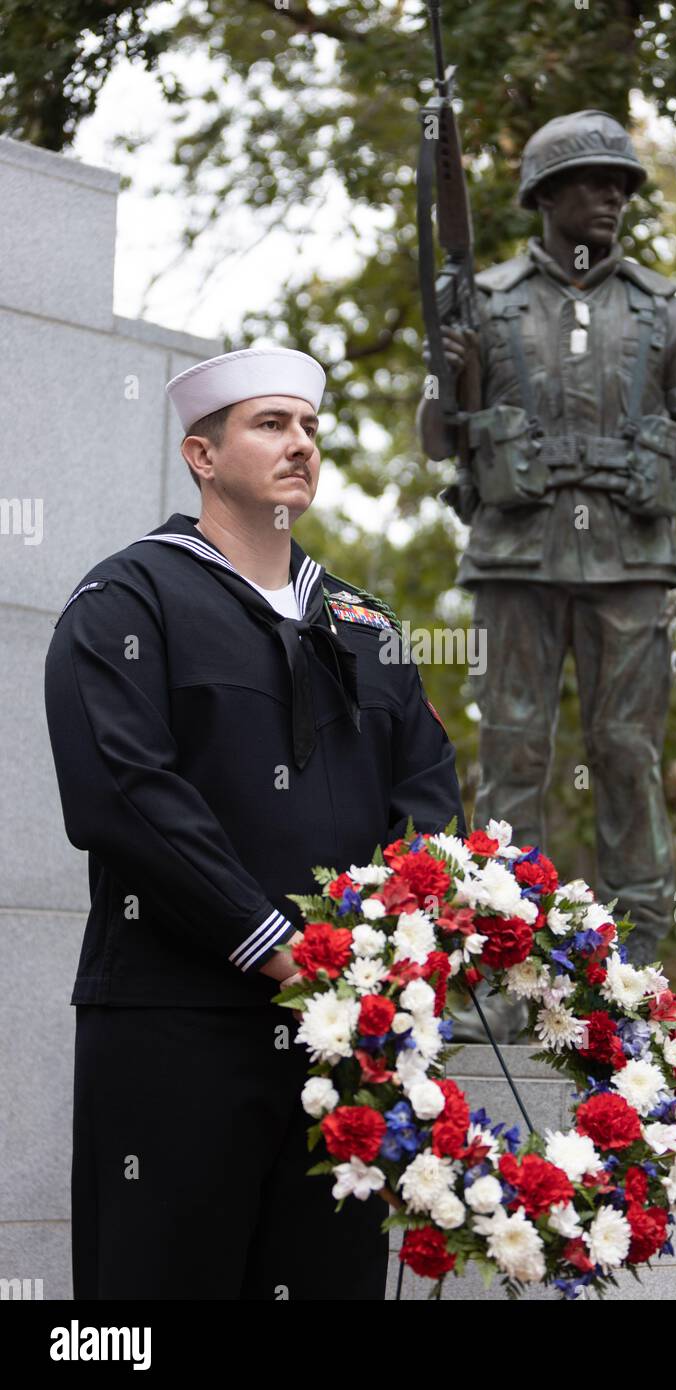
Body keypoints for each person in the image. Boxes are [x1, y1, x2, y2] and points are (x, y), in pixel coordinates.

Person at [44, 346, 466, 1300]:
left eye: (310, 427)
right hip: (176, 1025)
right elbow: (125, 795)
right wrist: (278, 948)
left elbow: (429, 798)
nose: (301, 445)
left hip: (342, 1043)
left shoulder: (364, 623)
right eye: (271, 425)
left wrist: (383, 966)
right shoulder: (127, 598)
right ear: (201, 454)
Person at [417, 110, 676, 1036]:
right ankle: (505, 981)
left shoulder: (662, 310)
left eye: (623, 184)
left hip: (634, 562)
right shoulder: (488, 301)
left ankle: (627, 983)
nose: (613, 198)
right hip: (516, 557)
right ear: (544, 195)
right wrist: (449, 367)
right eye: (594, 181)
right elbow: (436, 441)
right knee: (513, 756)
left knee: (627, 758)